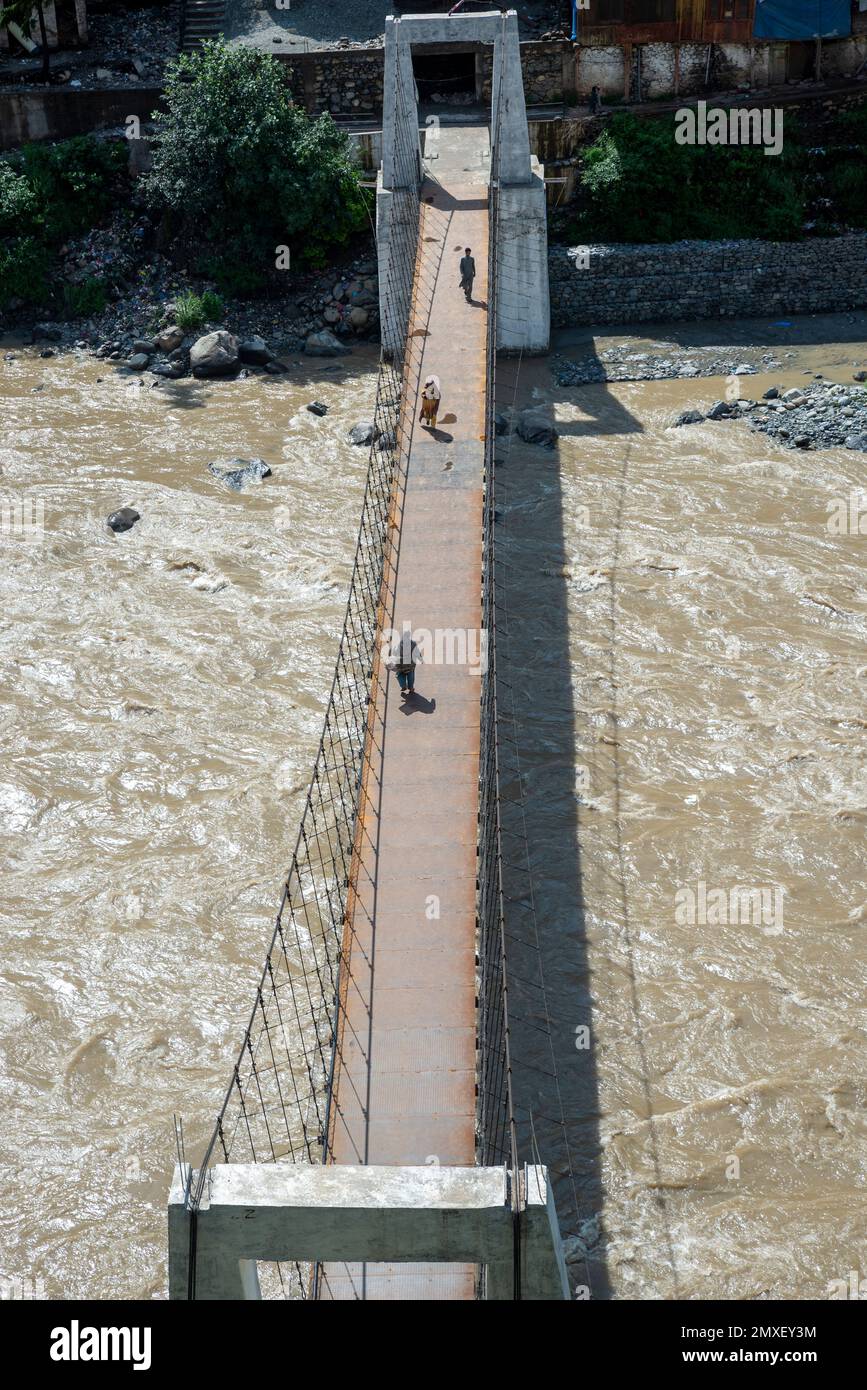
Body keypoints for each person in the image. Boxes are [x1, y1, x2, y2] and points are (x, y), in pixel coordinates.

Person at [386, 628, 422, 698]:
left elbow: (393, 654)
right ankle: (411, 688)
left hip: (401, 666)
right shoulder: (413, 644)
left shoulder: (398, 645)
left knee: (399, 676)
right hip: (411, 665)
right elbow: (417, 652)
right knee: (411, 676)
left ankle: (403, 686)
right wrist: (420, 659)